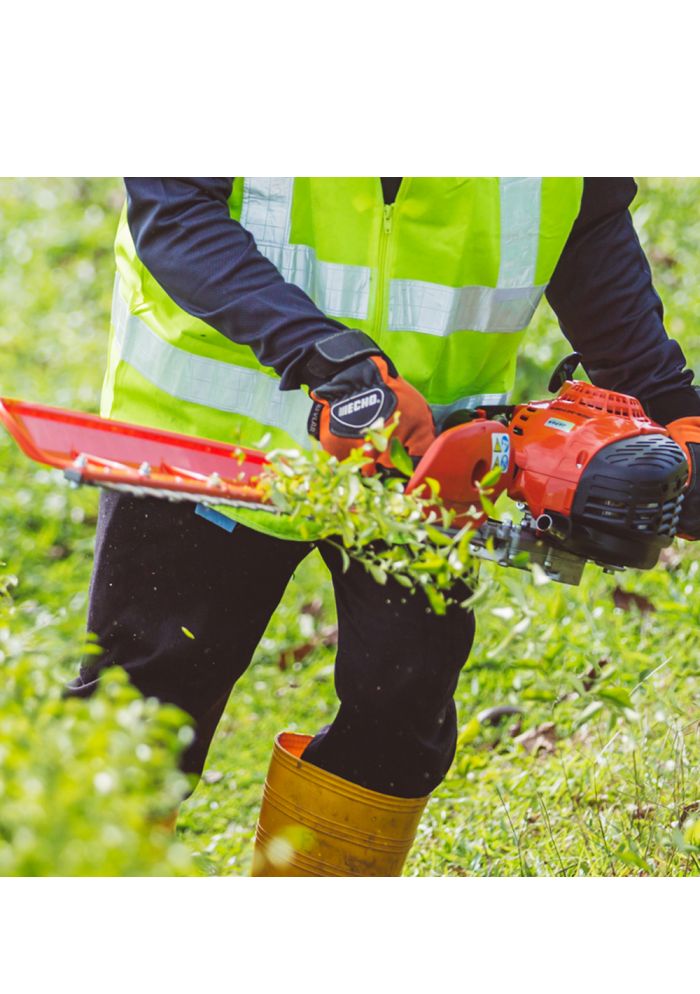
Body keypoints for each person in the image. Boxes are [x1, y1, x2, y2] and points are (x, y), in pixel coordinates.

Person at [71, 178, 700, 876]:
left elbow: (588, 232)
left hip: (429, 459)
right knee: (138, 713)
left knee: (399, 719)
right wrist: (323, 358)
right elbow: (174, 208)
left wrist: (671, 411)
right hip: (207, 440)